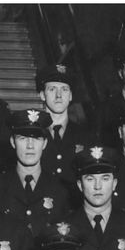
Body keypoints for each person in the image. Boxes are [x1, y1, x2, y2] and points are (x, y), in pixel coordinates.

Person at [0, 109, 70, 237]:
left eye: (36, 138)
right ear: (13, 142)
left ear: (45, 143)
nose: (30, 146)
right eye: (23, 138)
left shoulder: (60, 190)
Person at [35, 63, 90, 193]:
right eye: (52, 89)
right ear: (42, 95)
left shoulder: (86, 136)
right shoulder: (31, 134)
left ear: (70, 96)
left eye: (64, 89)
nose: (59, 95)